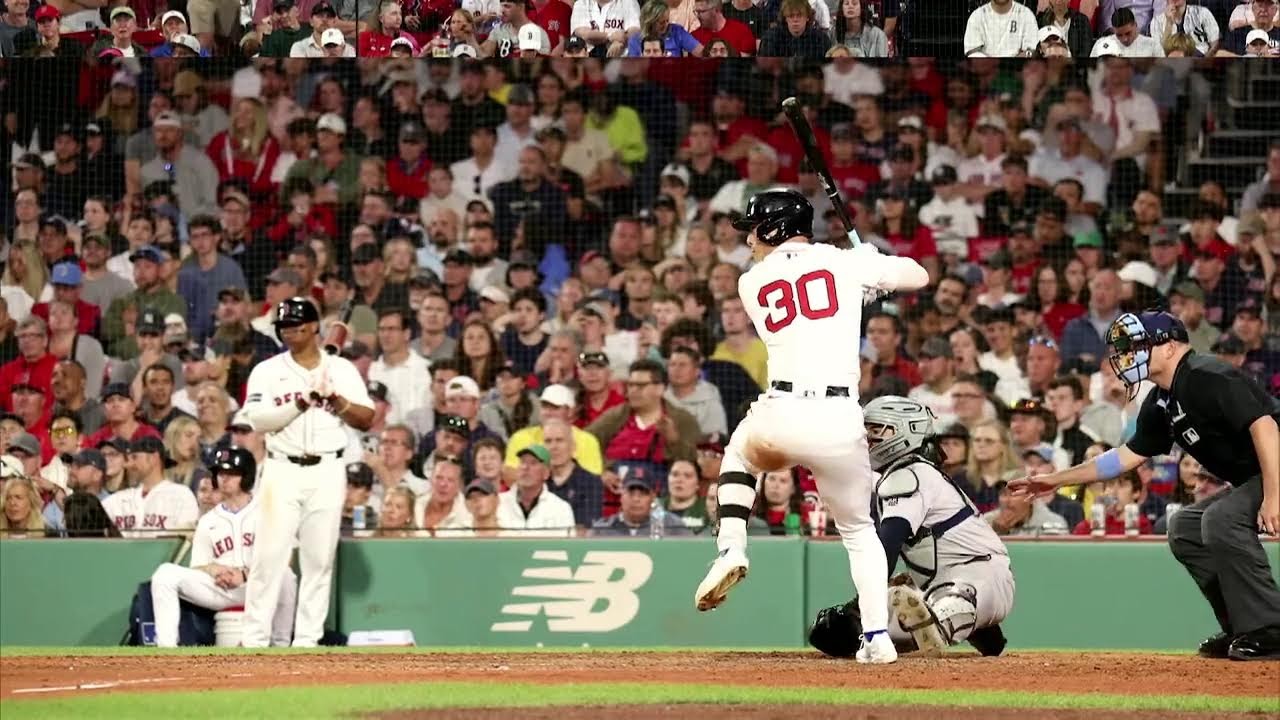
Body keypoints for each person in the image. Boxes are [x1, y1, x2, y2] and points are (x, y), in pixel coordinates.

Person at [693, 188, 929, 665]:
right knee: (861, 532)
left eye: (754, 230)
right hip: (840, 419)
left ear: (775, 229)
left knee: (739, 452)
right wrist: (872, 263)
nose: (750, 241)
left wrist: (860, 272)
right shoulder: (843, 262)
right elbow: (918, 276)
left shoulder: (751, 281)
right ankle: (878, 637)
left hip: (783, 409)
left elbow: (808, 293)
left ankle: (732, 548)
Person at [1010, 311, 1280, 660]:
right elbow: (1123, 458)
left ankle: (1270, 629)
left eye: (1137, 346)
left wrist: (1273, 495)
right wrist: (1052, 479)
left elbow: (1264, 426)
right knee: (1185, 527)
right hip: (1257, 476)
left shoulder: (1206, 375)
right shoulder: (1162, 400)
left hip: (1274, 468)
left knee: (1221, 519)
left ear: (1169, 347)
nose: (1127, 356)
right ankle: (1242, 626)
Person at [808, 397, 1012, 658]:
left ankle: (948, 618)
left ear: (907, 430)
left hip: (979, 577)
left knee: (930, 605)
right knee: (845, 632)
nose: (869, 438)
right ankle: (974, 629)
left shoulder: (909, 474)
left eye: (877, 429)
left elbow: (887, 547)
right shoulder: (905, 473)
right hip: (955, 582)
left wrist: (860, 604)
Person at [240, 298, 374, 648]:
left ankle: (307, 643)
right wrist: (301, 401)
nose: (290, 332)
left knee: (318, 559)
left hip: (328, 469)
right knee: (268, 558)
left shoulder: (341, 370)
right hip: (281, 470)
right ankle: (254, 641)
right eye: (284, 327)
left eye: (297, 325)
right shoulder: (267, 371)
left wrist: (337, 401)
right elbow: (257, 420)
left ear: (315, 327)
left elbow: (366, 417)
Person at [147, 447, 297, 647]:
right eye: (220, 473)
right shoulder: (208, 520)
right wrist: (215, 570)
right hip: (220, 588)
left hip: (257, 586)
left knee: (286, 575)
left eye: (231, 473)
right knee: (164, 574)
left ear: (246, 477)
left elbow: (285, 558)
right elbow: (198, 565)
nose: (223, 478)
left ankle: (281, 645)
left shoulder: (268, 511)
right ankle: (166, 648)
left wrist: (244, 575)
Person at [101, 436, 199, 537]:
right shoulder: (116, 500)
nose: (128, 465)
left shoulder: (181, 495)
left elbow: (185, 541)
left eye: (135, 457)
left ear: (154, 458)